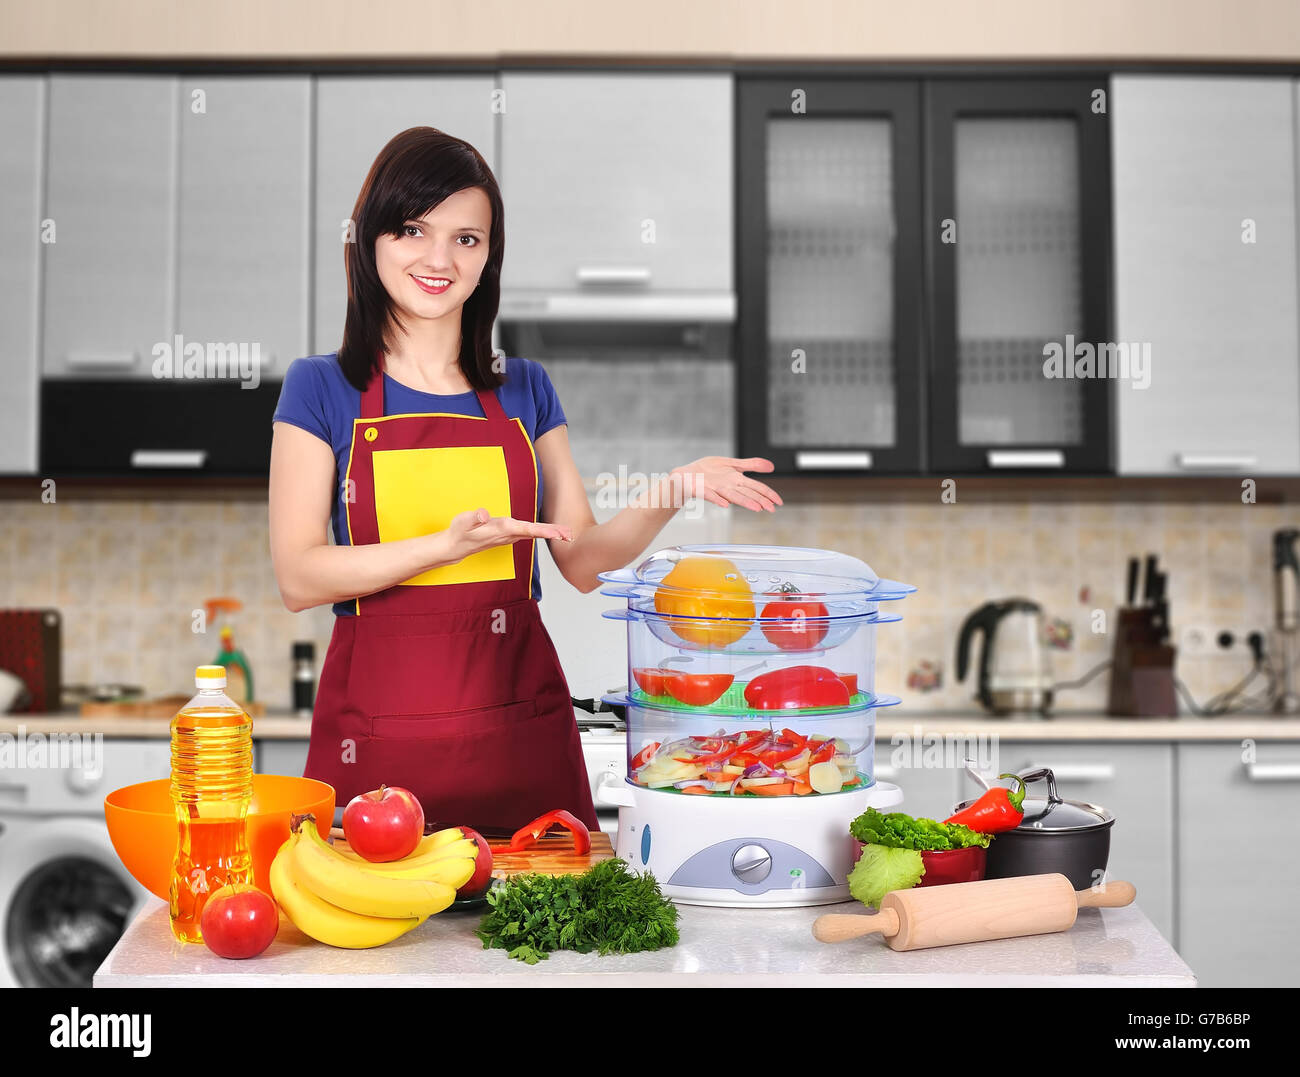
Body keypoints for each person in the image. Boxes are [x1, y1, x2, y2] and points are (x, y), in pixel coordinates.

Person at [268, 126, 781, 832]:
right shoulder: (321, 388)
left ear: (489, 256)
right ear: (372, 240)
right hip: (378, 758)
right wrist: (440, 547)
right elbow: (299, 576)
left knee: (547, 935)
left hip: (519, 742)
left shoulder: (523, 388)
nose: (439, 259)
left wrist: (673, 488)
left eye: (467, 239)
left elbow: (581, 560)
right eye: (414, 229)